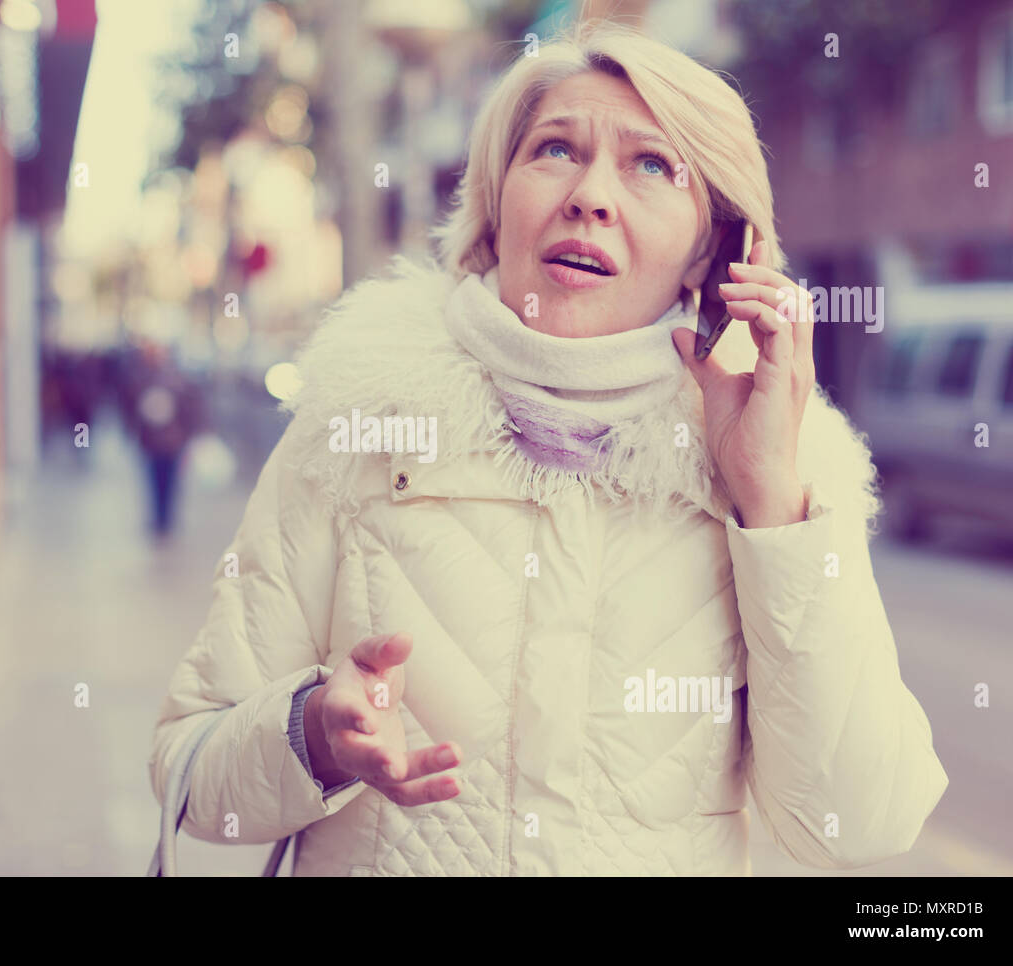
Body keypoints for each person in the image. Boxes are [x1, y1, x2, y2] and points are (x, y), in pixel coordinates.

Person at [148, 20, 947, 875]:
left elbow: (856, 824)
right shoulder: (361, 422)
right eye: (555, 149)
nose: (591, 195)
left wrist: (774, 505)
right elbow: (191, 779)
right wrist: (311, 735)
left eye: (653, 165)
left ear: (710, 253)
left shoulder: (780, 469)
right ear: (497, 208)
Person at [123, 341, 204, 535]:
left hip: (173, 441)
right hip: (151, 441)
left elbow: (192, 408)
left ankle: (166, 517)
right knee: (154, 479)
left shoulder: (178, 380)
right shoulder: (141, 378)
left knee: (170, 480)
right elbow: (131, 405)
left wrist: (191, 433)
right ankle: (159, 517)